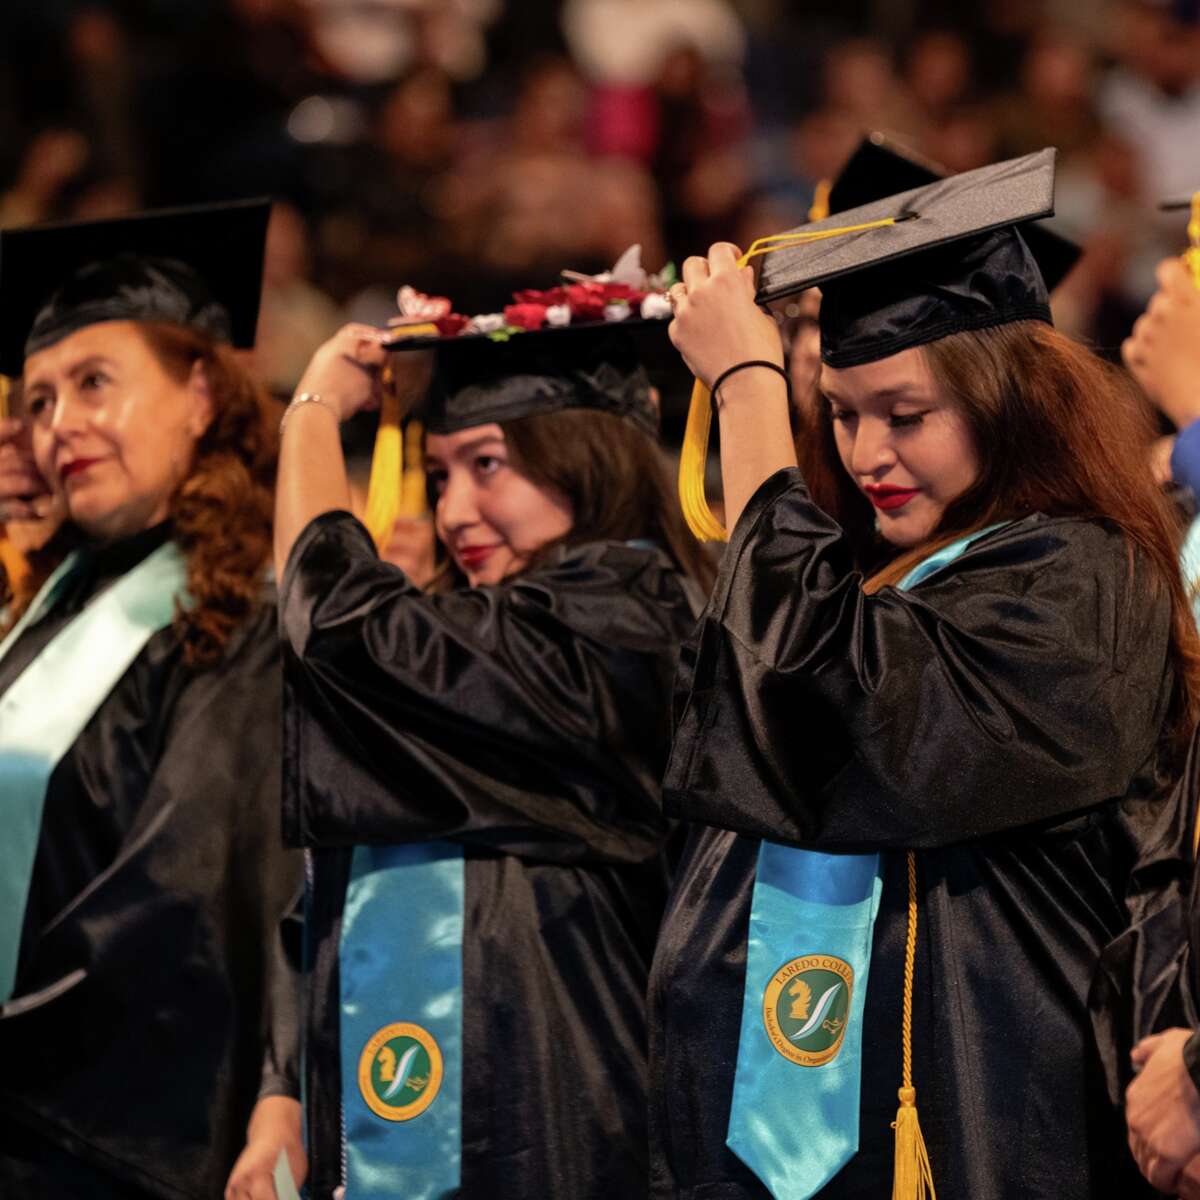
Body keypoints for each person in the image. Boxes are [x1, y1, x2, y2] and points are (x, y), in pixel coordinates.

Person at [652, 150, 1200, 1199]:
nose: (867, 454)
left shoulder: (1084, 585)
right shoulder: (890, 568)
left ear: (1012, 405)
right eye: (843, 412)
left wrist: (748, 390)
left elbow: (824, 698)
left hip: (984, 1127)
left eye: (906, 415)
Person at [267, 306, 713, 1198]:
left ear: (586, 458)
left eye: (487, 465)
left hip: (561, 1122)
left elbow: (345, 634)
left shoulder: (626, 625)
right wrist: (281, 1091)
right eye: (439, 476)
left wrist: (311, 418)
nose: (452, 512)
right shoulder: (494, 624)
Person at [0, 201, 302, 1200]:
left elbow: (182, 902)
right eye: (39, 401)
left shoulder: (240, 618)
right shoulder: (47, 607)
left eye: (95, 382)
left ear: (202, 393)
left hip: (96, 1136)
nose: (60, 426)